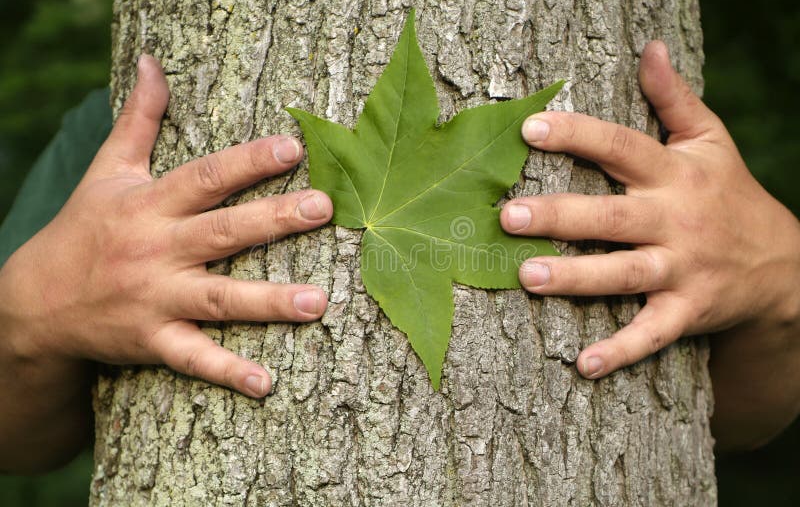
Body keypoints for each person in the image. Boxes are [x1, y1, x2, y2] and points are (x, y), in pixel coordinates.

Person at [0, 42, 797, 473]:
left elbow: (730, 425)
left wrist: (782, 277)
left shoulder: (663, 109)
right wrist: (31, 311)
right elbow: (18, 446)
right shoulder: (106, 136)